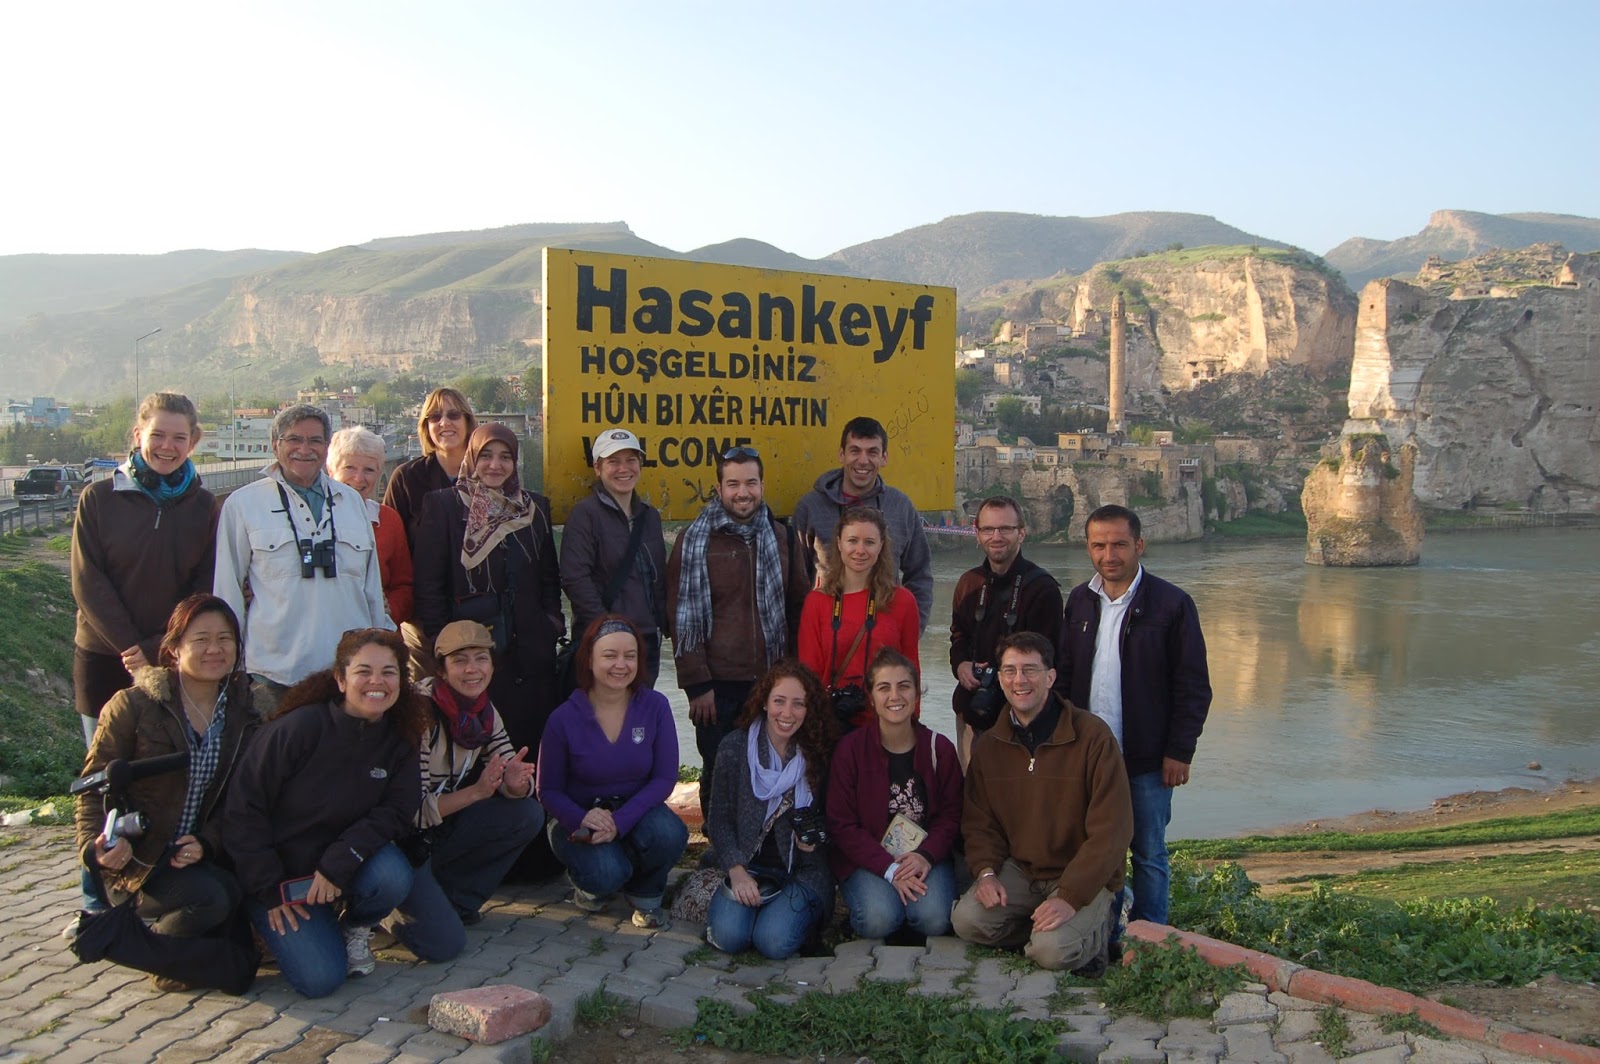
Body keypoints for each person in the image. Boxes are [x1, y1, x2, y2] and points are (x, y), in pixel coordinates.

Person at [223, 628, 436, 999]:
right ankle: (259, 926)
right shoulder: (298, 728)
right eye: (363, 671)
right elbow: (244, 810)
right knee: (321, 980)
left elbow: (398, 809)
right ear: (340, 679)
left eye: (389, 672)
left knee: (393, 876)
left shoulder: (401, 735)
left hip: (340, 866)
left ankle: (354, 925)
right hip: (278, 877)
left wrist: (343, 857)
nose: (377, 682)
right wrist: (268, 889)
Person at [72, 594, 255, 989]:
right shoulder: (134, 705)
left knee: (231, 894)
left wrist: (207, 842)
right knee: (212, 898)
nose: (214, 649)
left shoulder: (246, 713)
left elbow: (241, 802)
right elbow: (91, 788)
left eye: (225, 639)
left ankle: (180, 955)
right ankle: (147, 949)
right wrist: (96, 849)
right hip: (139, 858)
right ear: (173, 649)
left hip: (198, 855)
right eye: (200, 639)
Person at [1055, 504, 1211, 928]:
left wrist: (1180, 751)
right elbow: (1066, 680)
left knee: (1148, 852)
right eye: (1099, 545)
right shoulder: (1080, 602)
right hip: (1088, 759)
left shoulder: (1172, 605)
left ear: (1139, 545)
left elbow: (1193, 687)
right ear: (1087, 548)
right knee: (1090, 848)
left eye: (1120, 544)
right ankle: (1098, 932)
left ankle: (1149, 938)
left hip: (1146, 758)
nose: (1110, 555)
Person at [952, 632, 1132, 972]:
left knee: (1052, 953)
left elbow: (1112, 832)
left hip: (1080, 874)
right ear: (1000, 679)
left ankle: (1096, 923)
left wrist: (1070, 897)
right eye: (1009, 671)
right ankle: (1048, 931)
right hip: (1023, 871)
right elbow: (979, 823)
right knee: (967, 921)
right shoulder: (990, 747)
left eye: (1030, 670)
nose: (1019, 680)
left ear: (1050, 677)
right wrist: (987, 873)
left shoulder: (1093, 738)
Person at [213, 405, 392, 716]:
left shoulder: (352, 503)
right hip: (275, 674)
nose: (304, 450)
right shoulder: (244, 505)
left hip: (349, 673)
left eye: (315, 441)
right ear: (275, 445)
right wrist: (230, 668)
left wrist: (384, 655)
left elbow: (371, 589)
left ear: (326, 447)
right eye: (293, 439)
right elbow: (227, 592)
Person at [667, 445, 811, 821]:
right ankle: (721, 854)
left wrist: (794, 679)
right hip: (716, 687)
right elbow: (679, 617)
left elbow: (799, 608)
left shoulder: (784, 538)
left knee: (772, 768)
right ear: (719, 487)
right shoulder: (693, 541)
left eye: (750, 483)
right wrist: (697, 684)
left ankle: (762, 851)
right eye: (733, 484)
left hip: (771, 682)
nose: (742, 492)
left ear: (762, 485)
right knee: (720, 771)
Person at [71, 392, 217, 747]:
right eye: (157, 435)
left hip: (172, 657)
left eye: (179, 438)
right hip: (105, 656)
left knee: (164, 769)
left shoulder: (204, 506)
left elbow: (202, 585)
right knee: (108, 767)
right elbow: (88, 583)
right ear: (138, 436)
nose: (167, 447)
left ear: (192, 442)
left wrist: (158, 647)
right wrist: (132, 648)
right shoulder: (99, 498)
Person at [391, 621, 544, 951]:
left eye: (481, 658)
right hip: (401, 840)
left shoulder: (484, 711)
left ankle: (456, 900)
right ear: (442, 670)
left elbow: (509, 766)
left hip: (440, 828)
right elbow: (410, 813)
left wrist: (516, 783)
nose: (472, 669)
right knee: (441, 945)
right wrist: (476, 792)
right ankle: (387, 908)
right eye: (460, 660)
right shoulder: (420, 713)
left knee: (526, 813)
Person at [412, 424, 564, 752]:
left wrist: (551, 623)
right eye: (486, 456)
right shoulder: (445, 506)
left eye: (505, 457)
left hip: (530, 647)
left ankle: (528, 801)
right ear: (472, 458)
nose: (495, 465)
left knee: (530, 742)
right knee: (476, 739)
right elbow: (429, 583)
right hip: (472, 646)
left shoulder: (535, 508)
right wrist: (444, 642)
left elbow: (549, 576)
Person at [537, 615, 686, 929]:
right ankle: (591, 885)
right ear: (589, 660)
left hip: (635, 813)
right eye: (610, 655)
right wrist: (581, 818)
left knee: (669, 833)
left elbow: (663, 778)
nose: (621, 664)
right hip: (578, 818)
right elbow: (547, 790)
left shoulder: (655, 706)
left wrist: (621, 821)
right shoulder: (562, 718)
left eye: (630, 656)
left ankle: (645, 891)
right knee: (605, 873)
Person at [826, 648, 962, 941]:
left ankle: (910, 914)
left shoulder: (940, 749)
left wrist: (925, 855)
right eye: (884, 688)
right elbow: (841, 824)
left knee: (933, 919)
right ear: (872, 697)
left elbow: (952, 815)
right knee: (878, 919)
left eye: (904, 686)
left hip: (923, 857)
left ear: (916, 693)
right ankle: (887, 911)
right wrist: (888, 869)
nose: (895, 696)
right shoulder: (850, 751)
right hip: (869, 858)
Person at [704, 659, 835, 960]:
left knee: (773, 942)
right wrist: (736, 871)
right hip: (746, 864)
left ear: (808, 709)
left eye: (798, 704)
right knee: (729, 937)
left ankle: (795, 920)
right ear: (764, 702)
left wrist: (813, 841)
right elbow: (719, 820)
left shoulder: (818, 752)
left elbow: (833, 821)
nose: (787, 714)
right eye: (779, 701)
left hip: (802, 870)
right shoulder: (734, 748)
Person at [949, 495, 1063, 765]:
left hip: (1022, 718)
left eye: (1006, 529)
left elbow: (1049, 658)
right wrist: (961, 664)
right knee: (971, 796)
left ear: (1021, 533)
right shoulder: (968, 584)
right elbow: (958, 636)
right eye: (988, 529)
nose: (996, 536)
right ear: (977, 534)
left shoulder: (1042, 589)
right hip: (972, 712)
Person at [792, 416, 933, 627]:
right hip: (826, 640)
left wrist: (911, 629)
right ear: (842, 454)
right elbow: (795, 583)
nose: (863, 460)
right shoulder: (810, 508)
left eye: (872, 452)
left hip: (884, 643)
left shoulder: (900, 507)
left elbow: (920, 574)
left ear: (884, 457)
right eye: (855, 450)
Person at [559, 429, 668, 687]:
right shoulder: (585, 515)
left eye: (631, 460)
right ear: (597, 467)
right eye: (613, 461)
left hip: (647, 641)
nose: (624, 469)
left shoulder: (650, 517)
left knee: (639, 721)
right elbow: (574, 578)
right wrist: (606, 628)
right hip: (603, 642)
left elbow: (660, 578)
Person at [797, 506, 920, 731]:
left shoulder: (903, 601)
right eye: (852, 540)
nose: (860, 550)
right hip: (830, 724)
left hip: (885, 725)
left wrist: (911, 725)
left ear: (881, 546)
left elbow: (911, 667)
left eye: (869, 542)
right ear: (839, 543)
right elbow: (808, 671)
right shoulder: (817, 602)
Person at [382, 387, 477, 675]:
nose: (444, 423)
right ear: (425, 427)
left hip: (479, 610)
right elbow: (389, 545)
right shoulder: (408, 479)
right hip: (422, 616)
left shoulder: (489, 475)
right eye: (434, 417)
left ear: (468, 422)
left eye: (453, 415)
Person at [328, 426, 413, 625]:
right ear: (331, 470)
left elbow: (405, 585)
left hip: (375, 634)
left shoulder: (388, 520)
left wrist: (389, 610)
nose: (359, 479)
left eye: (369, 470)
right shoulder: (310, 519)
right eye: (349, 468)